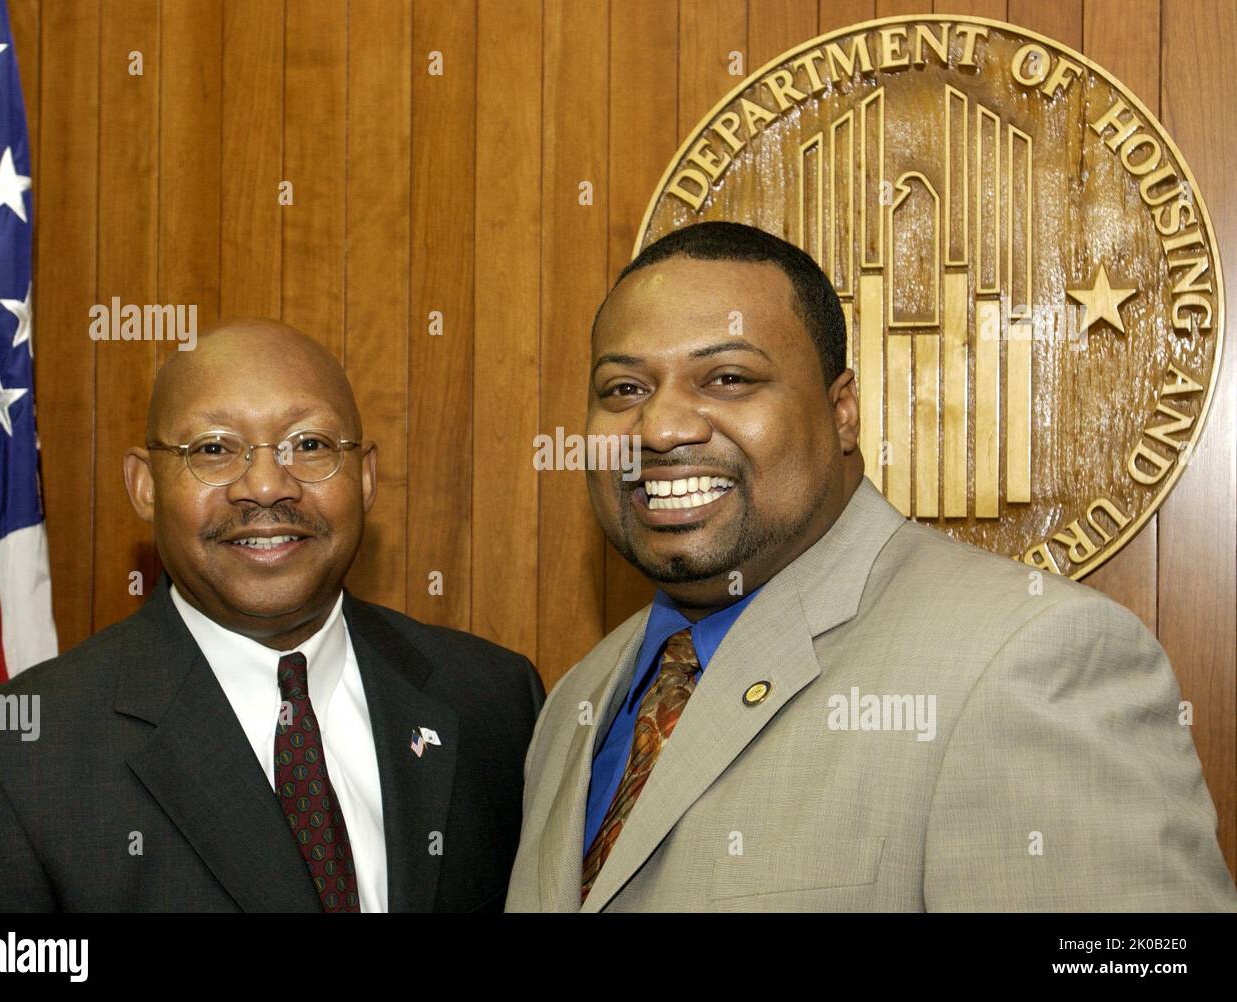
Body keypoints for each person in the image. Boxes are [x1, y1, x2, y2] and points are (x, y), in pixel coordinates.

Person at [505, 221, 1237, 912]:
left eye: (727, 378)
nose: (661, 427)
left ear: (843, 411)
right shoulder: (580, 699)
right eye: (624, 390)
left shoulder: (1027, 660)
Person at [0, 319, 543, 912]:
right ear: (144, 486)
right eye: (214, 449)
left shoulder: (495, 702)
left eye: (309, 445)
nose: (265, 485)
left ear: (365, 478)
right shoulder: (8, 759)